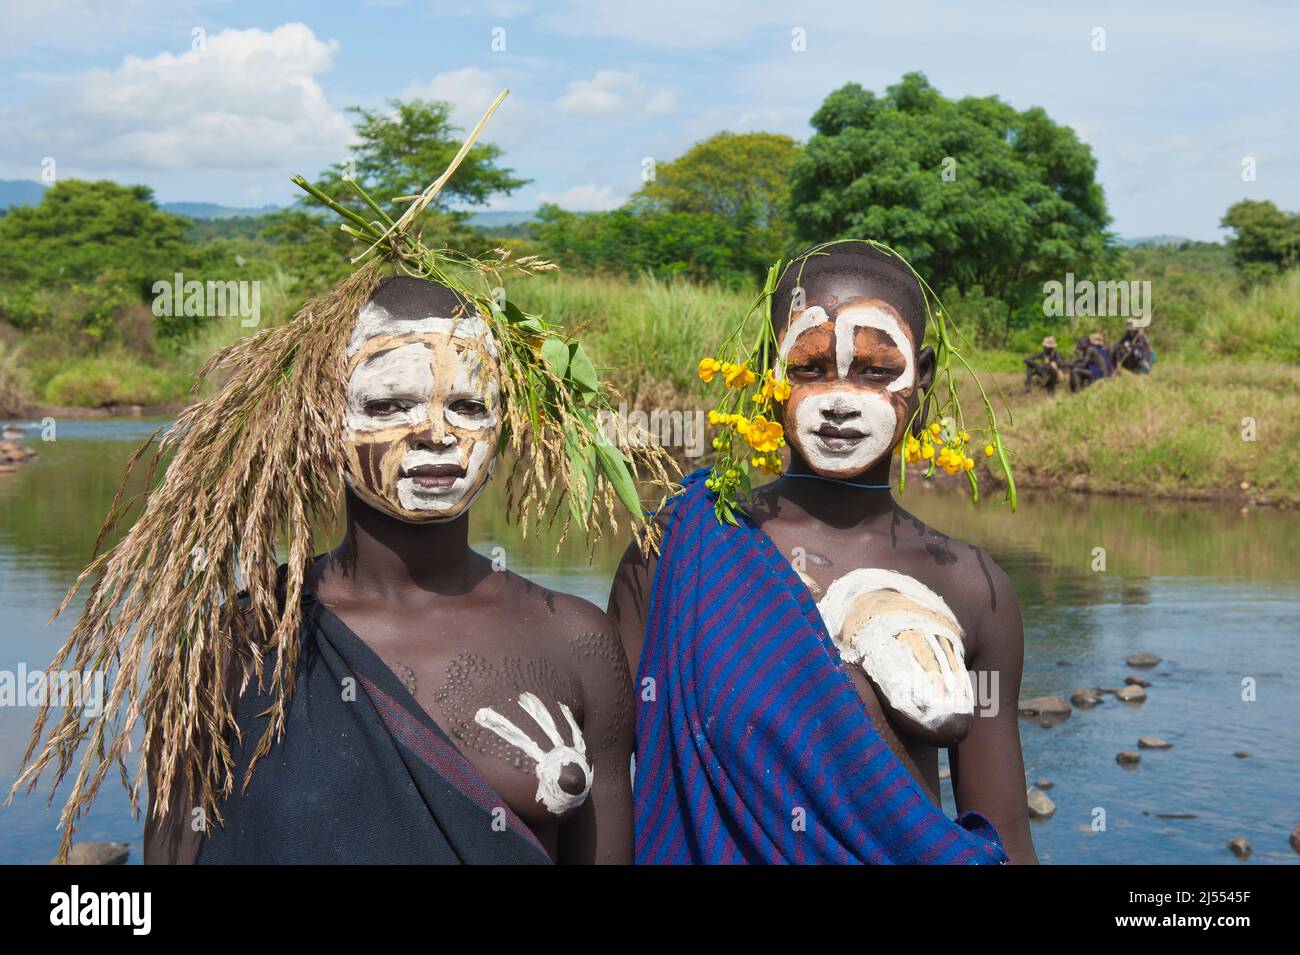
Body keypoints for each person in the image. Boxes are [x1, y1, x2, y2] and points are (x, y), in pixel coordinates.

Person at [14, 201, 671, 864]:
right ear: (325, 427)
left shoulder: (575, 640)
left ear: (503, 432)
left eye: (468, 405)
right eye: (388, 404)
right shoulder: (237, 642)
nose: (436, 432)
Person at [609, 241, 1035, 864]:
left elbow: (1005, 835)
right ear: (768, 376)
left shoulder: (973, 586)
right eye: (809, 369)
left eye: (874, 370)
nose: (839, 399)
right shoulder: (681, 542)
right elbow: (614, 784)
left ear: (926, 375)